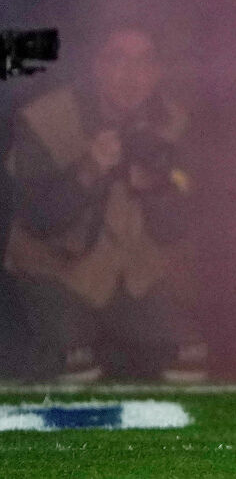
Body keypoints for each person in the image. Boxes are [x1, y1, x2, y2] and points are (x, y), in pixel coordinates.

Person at [4, 29, 203, 381]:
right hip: (56, 275)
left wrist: (155, 188)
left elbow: (182, 222)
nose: (132, 75)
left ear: (158, 71)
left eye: (145, 61)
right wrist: (87, 171)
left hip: (136, 279)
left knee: (187, 359)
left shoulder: (175, 124)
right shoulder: (43, 120)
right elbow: (36, 219)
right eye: (118, 59)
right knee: (73, 369)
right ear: (95, 66)